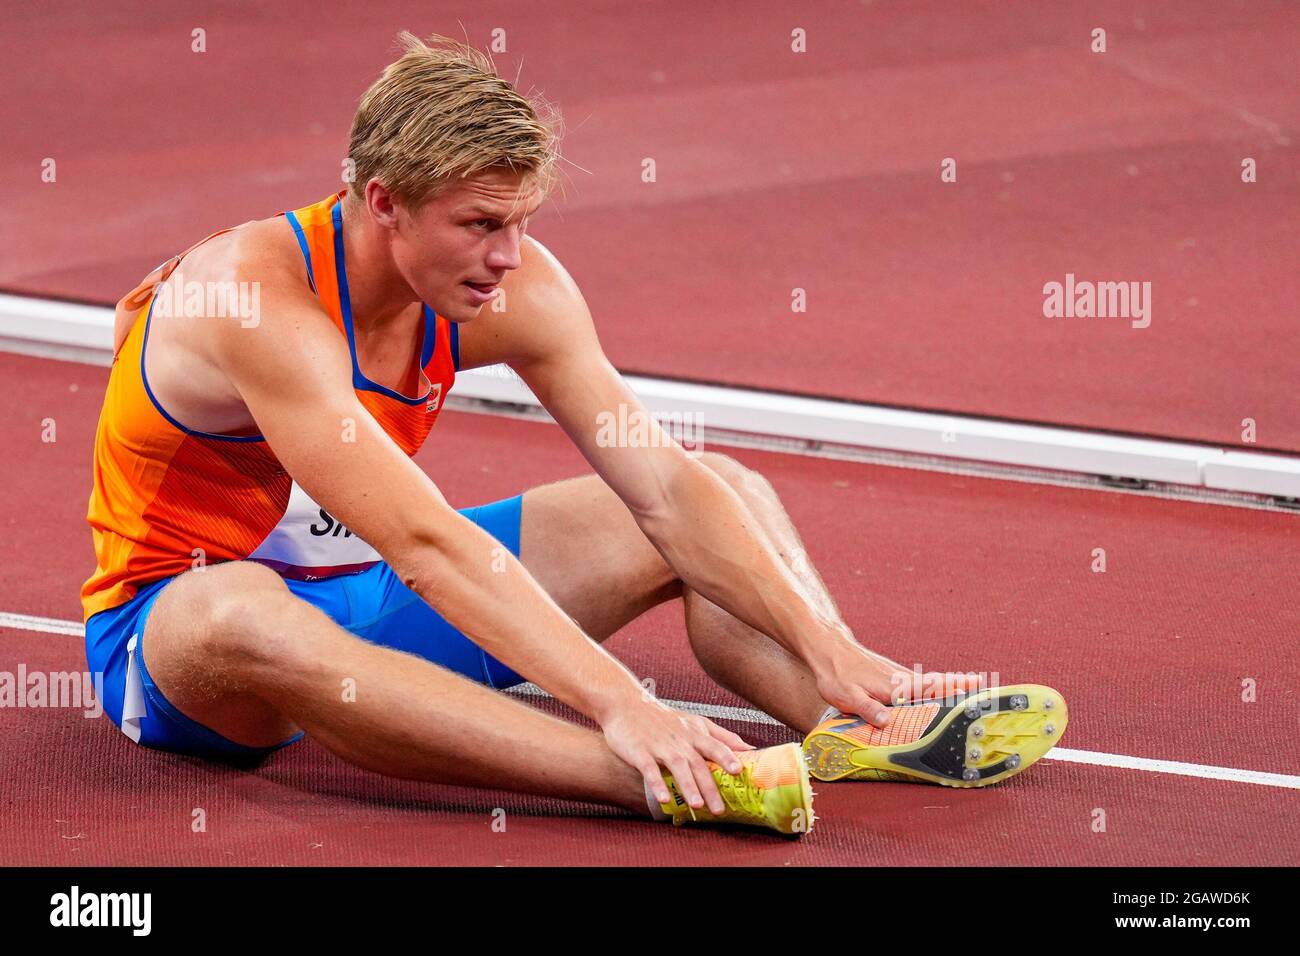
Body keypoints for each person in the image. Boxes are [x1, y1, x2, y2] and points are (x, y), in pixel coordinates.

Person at [82, 32, 1064, 837]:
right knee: (239, 609)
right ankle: (664, 777)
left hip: (364, 598)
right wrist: (618, 699)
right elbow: (424, 542)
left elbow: (662, 489)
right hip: (186, 647)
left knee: (726, 488)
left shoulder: (505, 286)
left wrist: (827, 640)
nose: (507, 257)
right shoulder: (254, 299)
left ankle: (852, 721)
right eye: (478, 224)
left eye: (519, 220)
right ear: (381, 202)